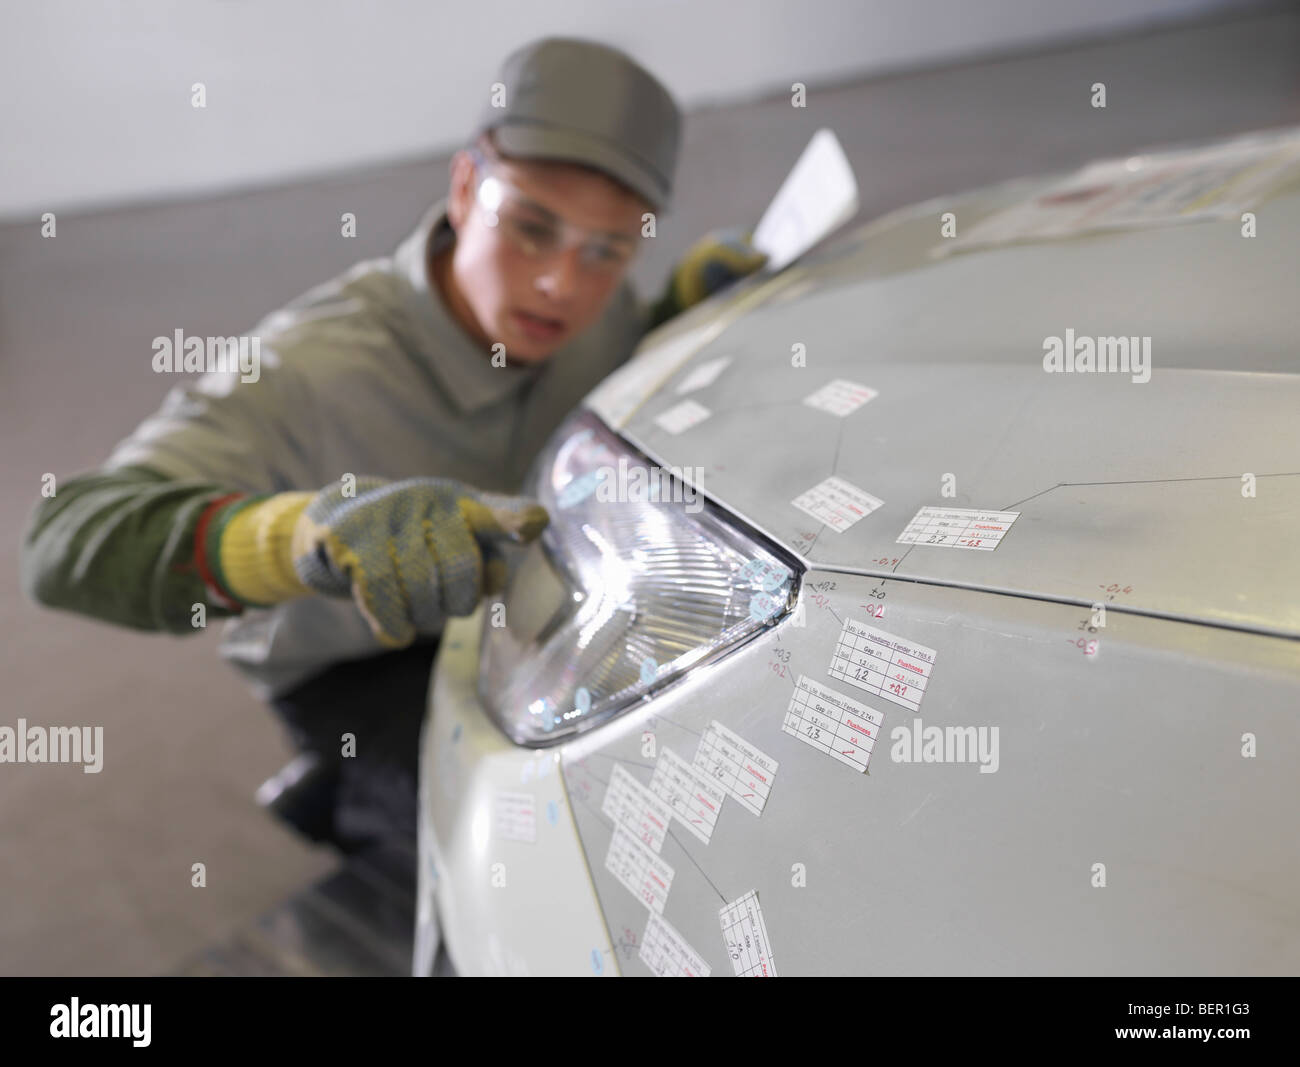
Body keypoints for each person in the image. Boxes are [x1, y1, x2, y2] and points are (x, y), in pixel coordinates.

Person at [19, 37, 768, 855]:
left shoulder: (595, 310)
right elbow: (63, 542)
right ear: (462, 187)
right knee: (519, 847)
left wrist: (680, 313)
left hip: (515, 612)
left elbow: (613, 357)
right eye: (529, 226)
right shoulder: (310, 368)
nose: (561, 283)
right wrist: (308, 536)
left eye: (606, 249)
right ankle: (341, 792)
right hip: (357, 667)